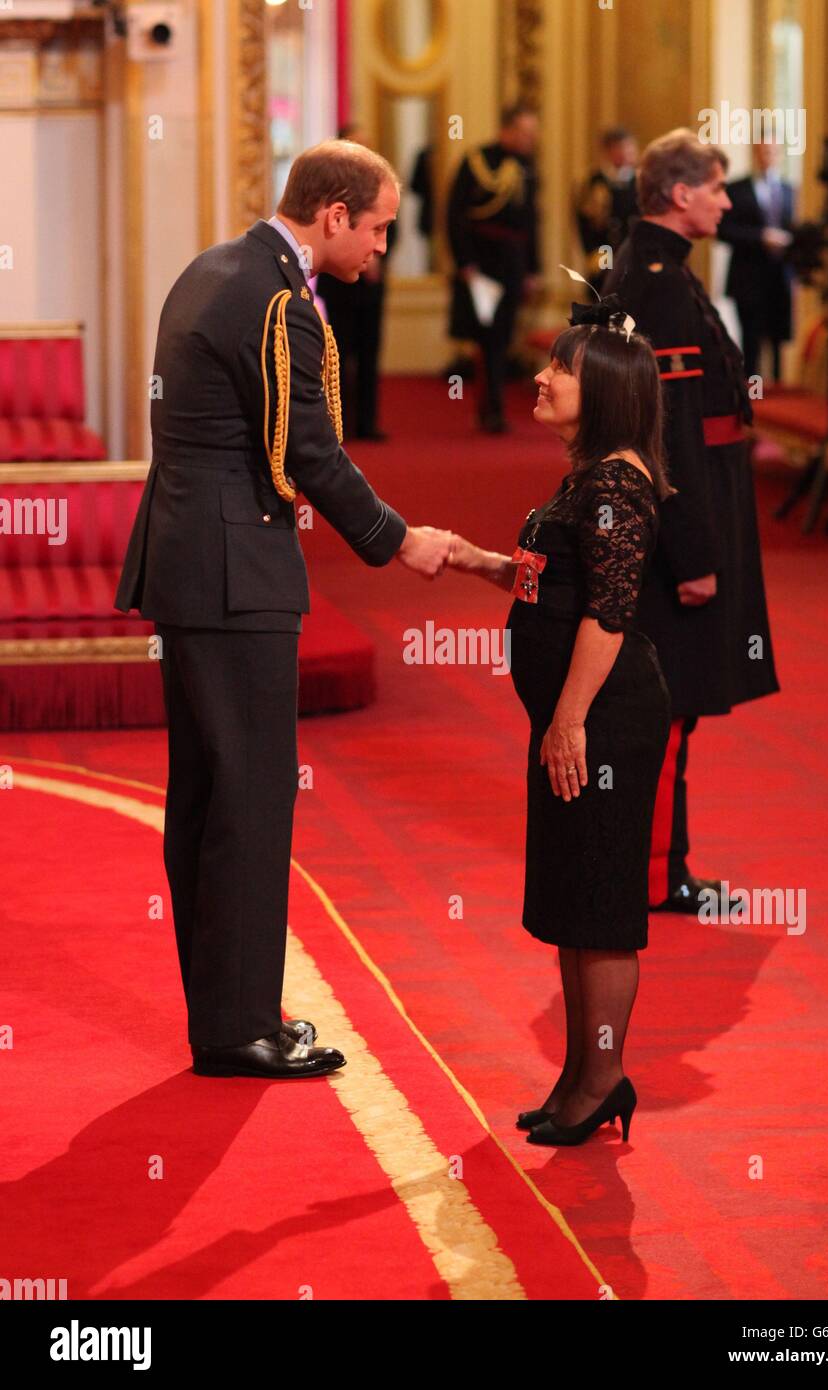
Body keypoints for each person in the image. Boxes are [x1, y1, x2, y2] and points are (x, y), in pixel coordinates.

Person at [114, 139, 453, 1080]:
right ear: (334, 213)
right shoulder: (273, 298)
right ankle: (238, 1030)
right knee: (252, 799)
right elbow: (309, 447)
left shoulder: (216, 267)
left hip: (194, 557)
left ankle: (227, 1013)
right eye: (379, 228)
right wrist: (396, 538)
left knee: (212, 795)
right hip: (233, 570)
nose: (383, 249)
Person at [446, 291, 674, 1147]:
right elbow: (557, 580)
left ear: (605, 388)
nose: (537, 379)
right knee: (573, 899)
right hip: (575, 717)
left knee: (601, 903)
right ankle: (580, 1076)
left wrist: (569, 720)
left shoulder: (616, 480)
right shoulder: (589, 472)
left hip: (604, 722)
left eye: (559, 370)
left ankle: (603, 1076)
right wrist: (479, 563)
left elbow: (608, 614)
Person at [603, 128, 780, 913]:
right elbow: (665, 433)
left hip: (688, 510)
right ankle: (651, 876)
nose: (726, 200)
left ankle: (664, 867)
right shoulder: (661, 285)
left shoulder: (654, 271)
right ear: (680, 196)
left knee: (675, 713)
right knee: (667, 712)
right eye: (715, 187)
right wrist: (694, 554)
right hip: (679, 523)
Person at [446, 104, 542, 433]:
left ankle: (496, 407)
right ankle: (489, 408)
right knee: (486, 340)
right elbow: (455, 216)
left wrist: (533, 269)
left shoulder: (527, 167)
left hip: (512, 264)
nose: (531, 139)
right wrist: (465, 263)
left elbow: (532, 222)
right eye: (525, 133)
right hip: (482, 264)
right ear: (506, 130)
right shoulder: (476, 162)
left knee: (504, 336)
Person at [314, 124, 396, 439]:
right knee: (340, 353)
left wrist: (377, 257)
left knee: (370, 352)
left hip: (372, 282)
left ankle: (367, 422)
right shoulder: (328, 188)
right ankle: (340, 422)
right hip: (339, 281)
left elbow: (392, 225)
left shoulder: (383, 184)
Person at [717, 141, 795, 381]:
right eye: (762, 151)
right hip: (747, 278)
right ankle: (752, 393)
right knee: (750, 340)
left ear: (779, 154)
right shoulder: (736, 189)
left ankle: (778, 396)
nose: (767, 156)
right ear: (754, 153)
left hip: (779, 277)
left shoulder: (789, 190)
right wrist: (761, 237)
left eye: (772, 151)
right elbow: (723, 230)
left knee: (777, 339)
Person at [575, 126, 640, 278]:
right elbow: (584, 219)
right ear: (609, 151)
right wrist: (591, 251)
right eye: (622, 148)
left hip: (633, 253)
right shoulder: (593, 181)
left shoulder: (640, 181)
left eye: (630, 147)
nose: (628, 153)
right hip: (603, 251)